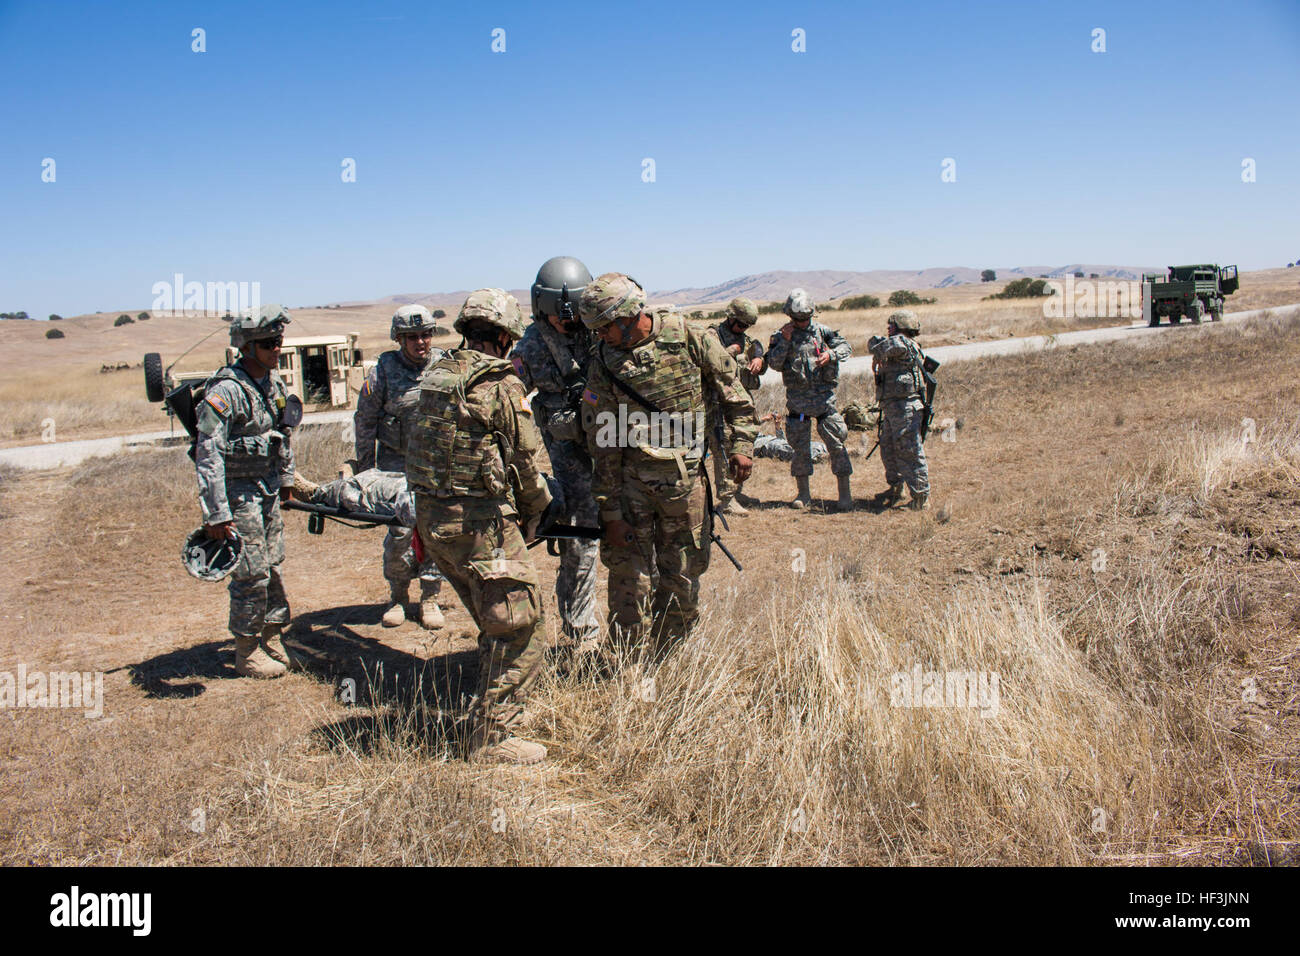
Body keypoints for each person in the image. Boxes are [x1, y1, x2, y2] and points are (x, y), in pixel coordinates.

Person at [405, 289, 553, 765]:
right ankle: (493, 735)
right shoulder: (500, 382)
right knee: (521, 624)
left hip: (433, 522)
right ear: (506, 337)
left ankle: (491, 706)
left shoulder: (437, 375)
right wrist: (537, 509)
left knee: (495, 616)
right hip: (478, 524)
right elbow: (526, 460)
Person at [578, 273, 756, 657]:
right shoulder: (604, 362)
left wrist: (742, 445)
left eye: (604, 327)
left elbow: (736, 397)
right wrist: (610, 512)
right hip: (631, 489)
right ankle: (628, 663)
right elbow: (603, 442)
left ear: (627, 316)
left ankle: (669, 659)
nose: (599, 336)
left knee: (682, 575)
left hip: (686, 485)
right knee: (629, 580)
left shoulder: (690, 338)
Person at [194, 304, 298, 679]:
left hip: (267, 492)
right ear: (248, 346)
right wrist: (216, 513)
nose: (277, 348)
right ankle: (246, 650)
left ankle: (272, 636)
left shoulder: (275, 386)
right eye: (269, 342)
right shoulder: (226, 392)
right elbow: (208, 455)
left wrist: (286, 480)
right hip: (238, 497)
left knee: (271, 565)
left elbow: (284, 437)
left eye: (279, 341)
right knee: (250, 573)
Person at [508, 256, 601, 652]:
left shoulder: (598, 330)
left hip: (613, 442)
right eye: (564, 318)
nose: (572, 323)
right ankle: (580, 629)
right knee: (582, 532)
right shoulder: (530, 347)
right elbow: (507, 398)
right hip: (569, 454)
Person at [354, 304, 450, 629]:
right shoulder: (383, 370)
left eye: (425, 335)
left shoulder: (445, 366)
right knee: (399, 533)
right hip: (394, 467)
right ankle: (398, 596)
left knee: (433, 532)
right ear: (399, 338)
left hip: (434, 467)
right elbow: (365, 420)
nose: (420, 342)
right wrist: (364, 472)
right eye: (412, 337)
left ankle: (430, 598)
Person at [765, 288, 854, 510]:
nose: (802, 323)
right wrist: (785, 341)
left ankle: (845, 495)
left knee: (836, 446)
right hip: (798, 406)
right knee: (800, 450)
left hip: (825, 404)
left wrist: (830, 355)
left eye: (805, 318)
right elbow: (774, 364)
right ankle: (803, 494)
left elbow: (846, 348)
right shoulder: (781, 335)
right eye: (797, 319)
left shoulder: (824, 332)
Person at [709, 297, 767, 514]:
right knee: (723, 447)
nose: (743, 329)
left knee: (742, 446)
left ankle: (736, 491)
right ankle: (726, 500)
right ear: (730, 317)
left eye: (747, 326)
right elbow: (711, 363)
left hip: (740, 403)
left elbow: (757, 350)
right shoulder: (713, 336)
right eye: (741, 324)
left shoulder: (745, 339)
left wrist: (759, 360)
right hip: (719, 403)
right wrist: (732, 351)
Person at [869, 309, 931, 510]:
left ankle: (921, 497)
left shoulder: (903, 343)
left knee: (909, 452)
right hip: (893, 408)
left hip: (905, 409)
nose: (888, 329)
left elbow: (876, 347)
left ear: (900, 326)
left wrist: (876, 345)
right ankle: (896, 487)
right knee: (888, 448)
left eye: (891, 325)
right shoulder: (903, 344)